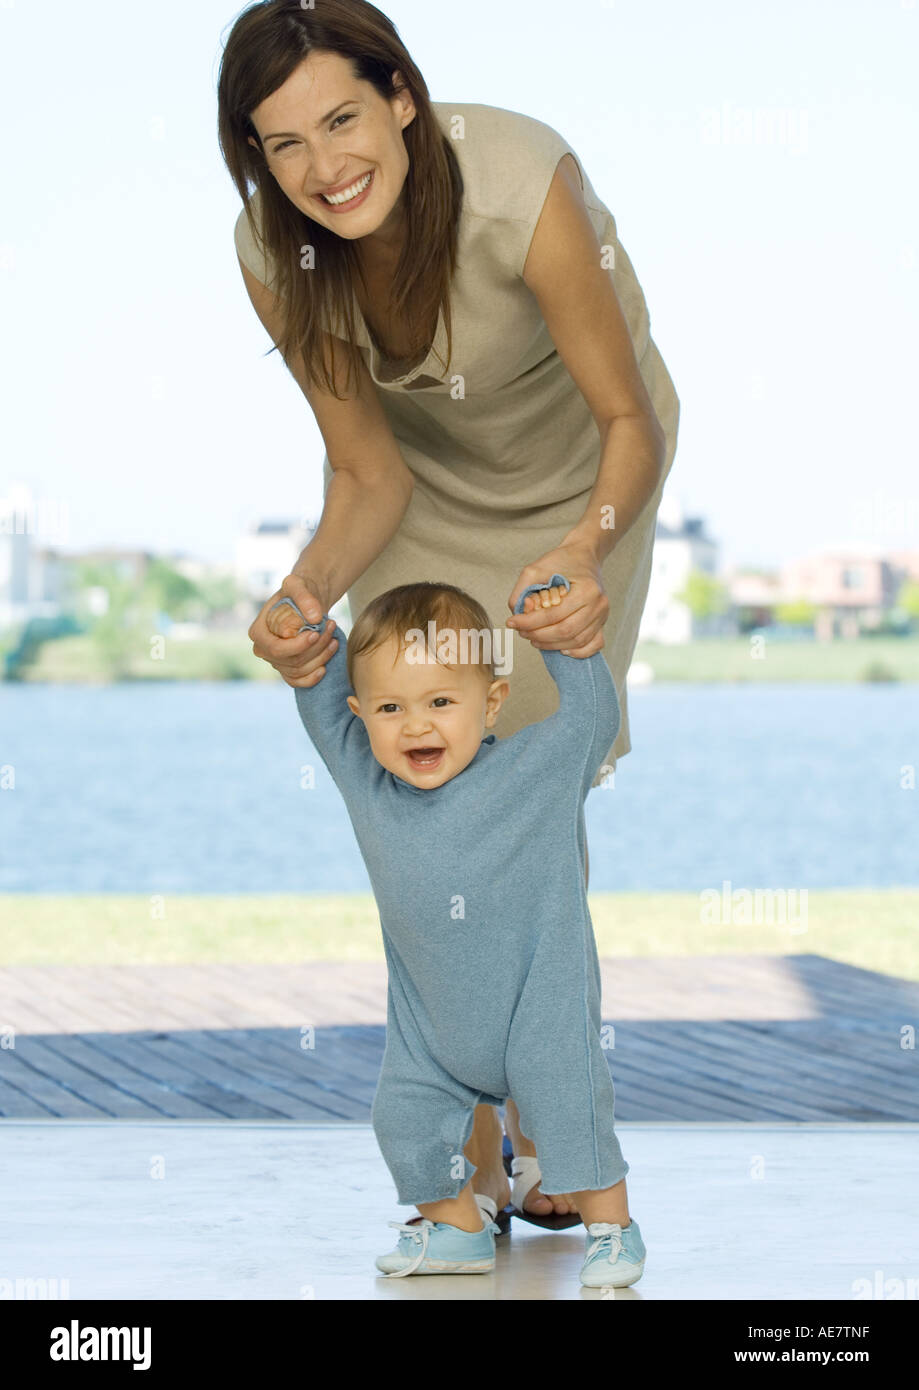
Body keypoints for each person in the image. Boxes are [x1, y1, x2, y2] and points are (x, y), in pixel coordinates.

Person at [219, 0, 680, 1231]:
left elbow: (628, 419)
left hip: (585, 481)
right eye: (281, 144)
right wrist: (301, 596)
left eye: (342, 119)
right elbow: (368, 471)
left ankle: (553, 1136)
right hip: (419, 491)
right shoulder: (278, 252)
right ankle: (472, 1167)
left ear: (401, 99)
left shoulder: (516, 184)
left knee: (523, 783)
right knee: (426, 787)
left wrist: (583, 555)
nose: (322, 168)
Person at [267, 573, 646, 1285]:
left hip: (540, 1007)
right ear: (361, 714)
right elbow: (319, 706)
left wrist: (562, 641)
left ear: (491, 701)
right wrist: (307, 629)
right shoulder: (365, 780)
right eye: (390, 707)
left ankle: (612, 1230)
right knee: (402, 1121)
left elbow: (591, 715)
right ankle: (457, 1228)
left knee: (570, 1115)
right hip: (431, 1027)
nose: (416, 725)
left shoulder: (535, 770)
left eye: (441, 702)